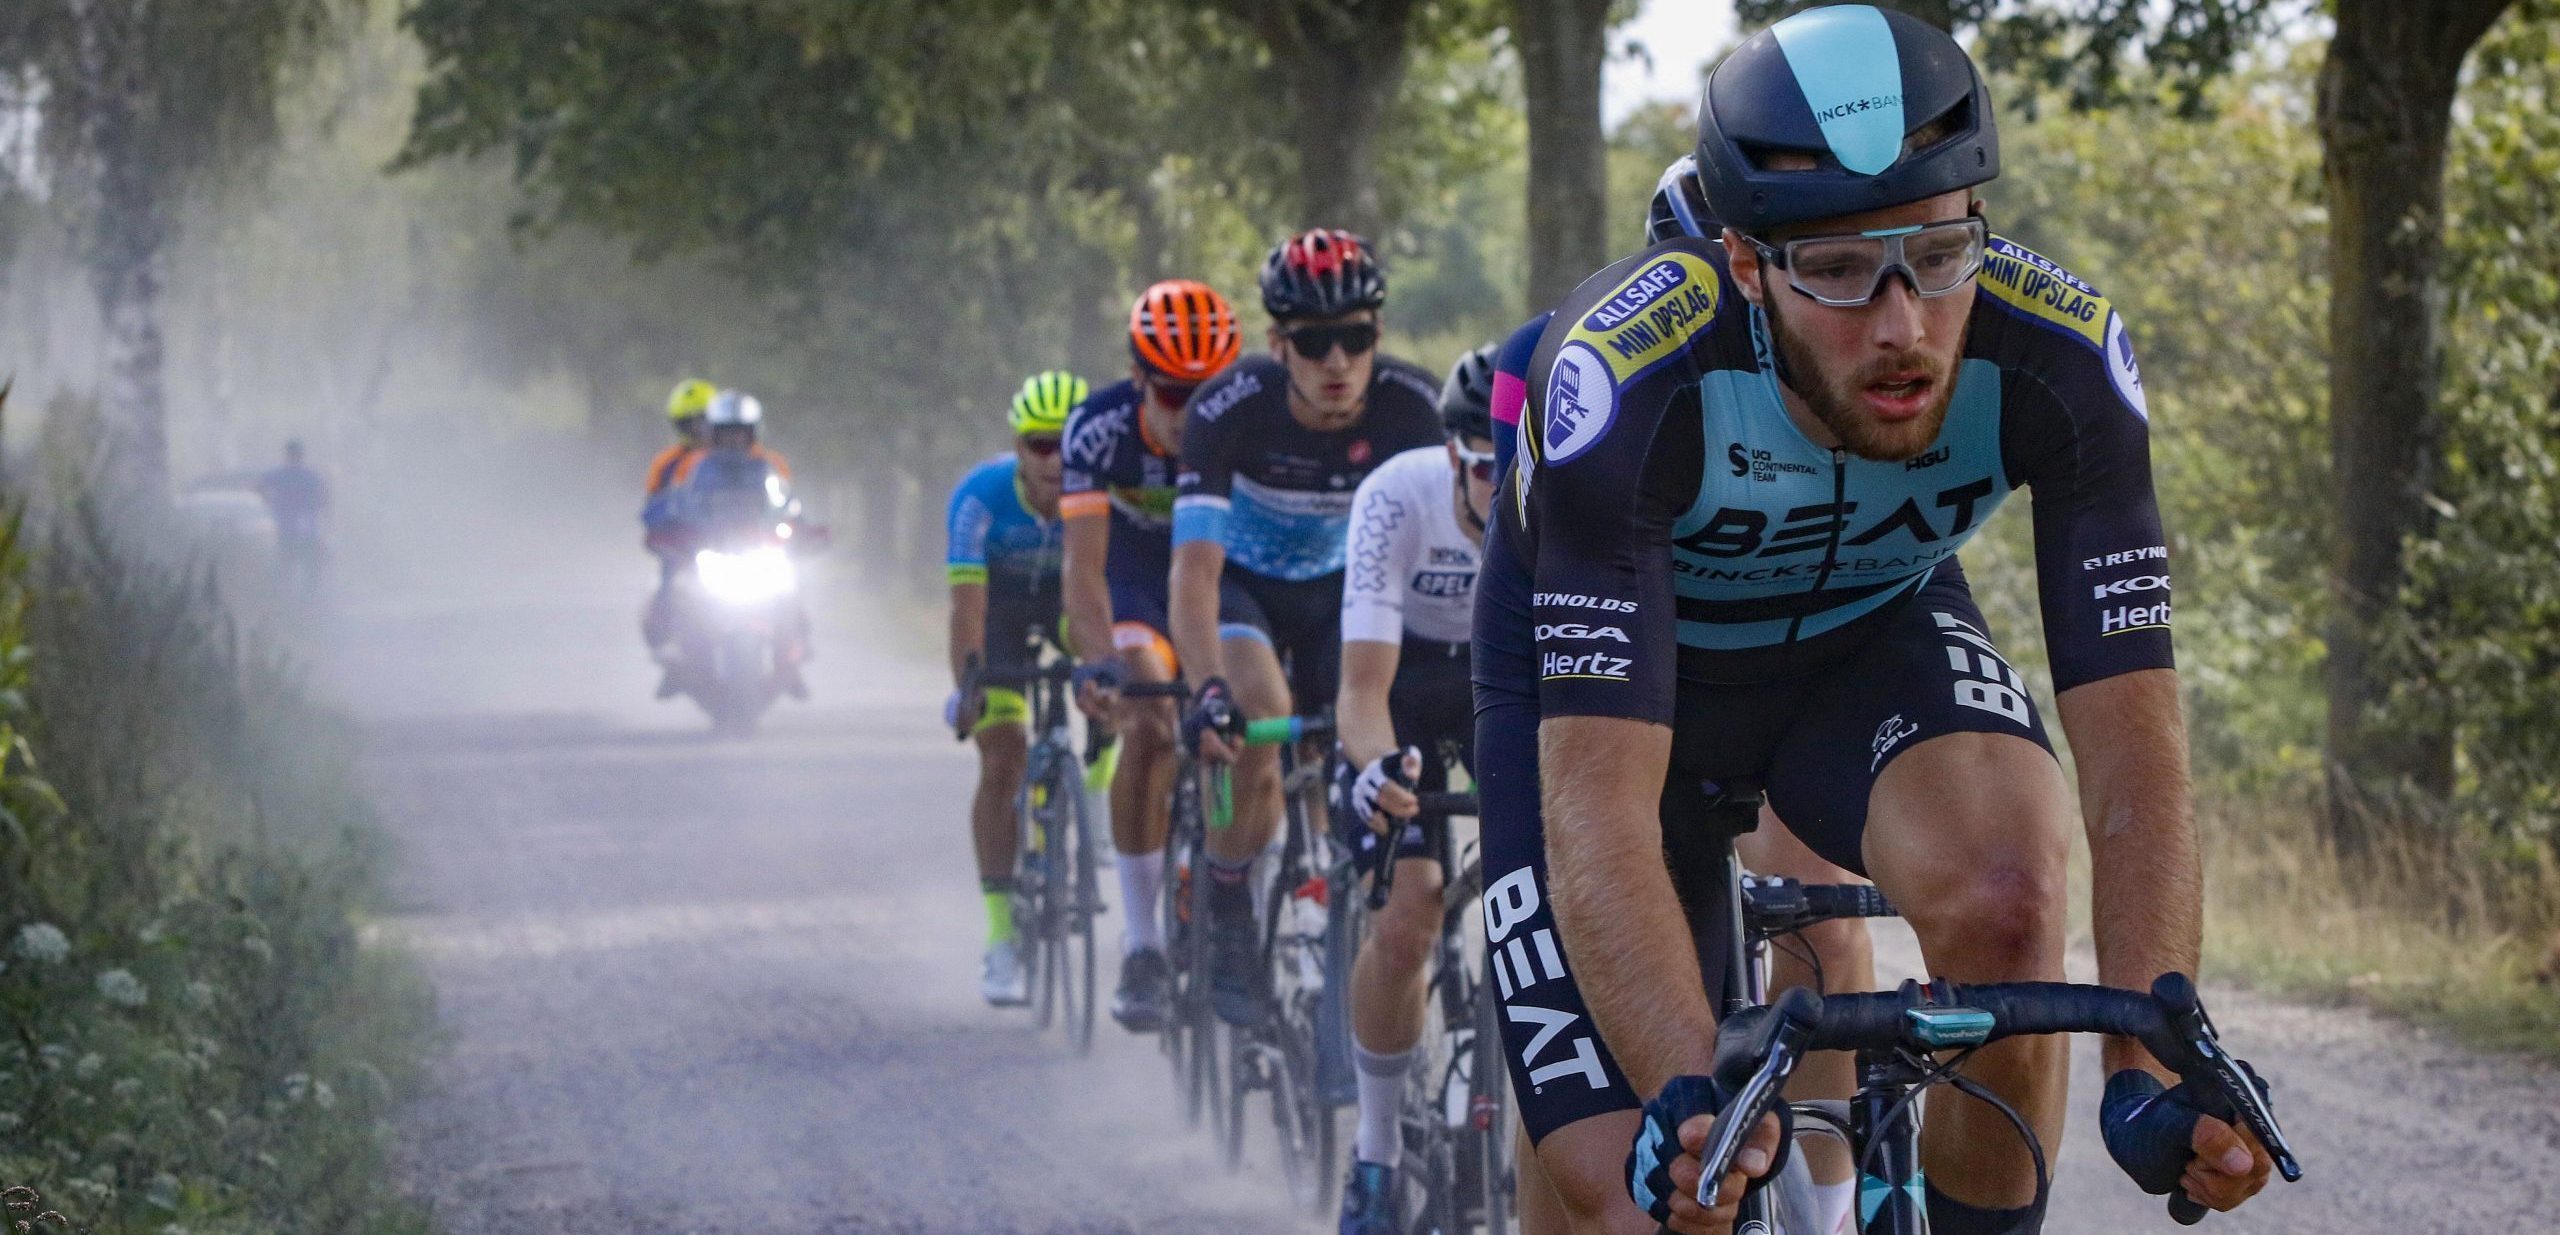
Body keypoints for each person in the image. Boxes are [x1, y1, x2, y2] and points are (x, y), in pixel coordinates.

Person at [1473, 7, 2273, 1234]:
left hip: (1861, 635)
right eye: (1839, 270)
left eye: (1940, 253)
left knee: (2005, 901)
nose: (1902, 325)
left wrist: (2151, 1063)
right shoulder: (1626, 379)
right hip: (1611, 700)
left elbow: (2135, 760)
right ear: (1746, 264)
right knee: (1627, 1194)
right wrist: (1697, 1103)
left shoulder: (2060, 358)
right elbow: (1595, 815)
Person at [1169, 229, 1444, 1028]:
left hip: (1340, 595)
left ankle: (1341, 898)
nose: (1337, 361)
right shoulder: (1226, 407)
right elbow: (1194, 572)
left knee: (1363, 720)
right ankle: (1225, 901)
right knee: (1260, 709)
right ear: (1277, 344)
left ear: (1378, 334)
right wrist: (1206, 689)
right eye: (1315, 342)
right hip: (1244, 587)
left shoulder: (1413, 406)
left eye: (1355, 337)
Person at [1328, 344, 1496, 1233]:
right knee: (1409, 914)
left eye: (1523, 468)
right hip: (1401, 683)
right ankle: (1377, 1152)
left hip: (1496, 683)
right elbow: (1361, 690)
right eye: (1487, 469)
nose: (1507, 491)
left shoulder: (1565, 500)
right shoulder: (1397, 496)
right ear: (1454, 456)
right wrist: (1379, 768)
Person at [1058, 280, 1245, 1032]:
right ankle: (1142, 945)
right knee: (1149, 721)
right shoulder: (1097, 431)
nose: (1193, 413)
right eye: (1173, 393)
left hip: (1227, 582)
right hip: (1136, 583)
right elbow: (1082, 570)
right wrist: (1099, 660)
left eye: (1210, 393)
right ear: (1137, 377)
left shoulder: (1252, 422)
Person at [946, 372, 1077, 1006]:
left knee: (1124, 684)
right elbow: (966, 607)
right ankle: (1001, 936)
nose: (1055, 460)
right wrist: (969, 687)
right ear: (1019, 448)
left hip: (1067, 601)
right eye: (1040, 445)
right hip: (997, 611)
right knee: (1003, 756)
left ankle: (1095, 788)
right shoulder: (980, 498)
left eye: (1067, 445)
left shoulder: (1100, 491)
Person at [650, 391, 811, 698]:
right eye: (726, 433)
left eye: (739, 433)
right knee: (678, 589)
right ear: (713, 434)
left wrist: (798, 529)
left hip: (759, 552)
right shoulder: (694, 466)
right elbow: (674, 503)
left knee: (792, 590)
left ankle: (792, 658)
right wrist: (668, 525)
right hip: (712, 550)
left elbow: (787, 504)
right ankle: (676, 654)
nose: (733, 440)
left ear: (752, 433)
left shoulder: (768, 465)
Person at [256, 439, 330, 596]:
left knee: (286, 568)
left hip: (287, 530)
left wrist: (268, 502)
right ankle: (307, 598)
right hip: (305, 530)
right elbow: (324, 498)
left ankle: (287, 598)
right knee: (309, 569)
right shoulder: (311, 476)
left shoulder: (278, 475)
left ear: (287, 455)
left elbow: (257, 487)